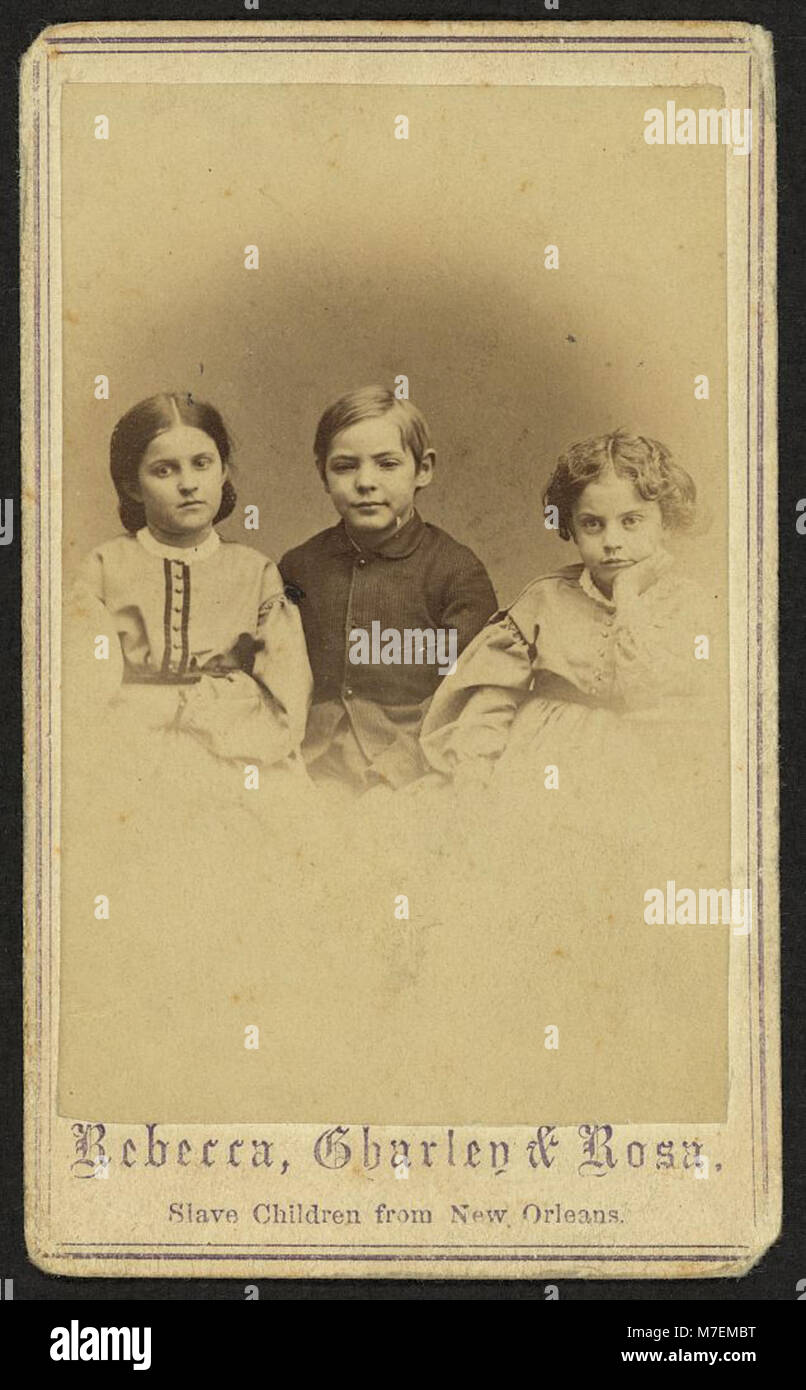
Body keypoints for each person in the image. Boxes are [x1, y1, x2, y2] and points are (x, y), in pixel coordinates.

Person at [419, 429, 724, 877]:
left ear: (667, 521)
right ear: (571, 526)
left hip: (640, 775)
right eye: (592, 524)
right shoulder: (547, 598)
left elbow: (649, 694)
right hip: (540, 767)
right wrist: (474, 774)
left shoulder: (690, 606)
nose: (612, 540)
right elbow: (492, 698)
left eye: (632, 521)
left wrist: (629, 597)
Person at [65, 392, 313, 810]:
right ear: (133, 486)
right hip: (128, 764)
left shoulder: (257, 573)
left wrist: (179, 705)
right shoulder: (105, 568)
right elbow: (83, 697)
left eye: (202, 463)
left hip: (237, 759)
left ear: (223, 472)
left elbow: (285, 704)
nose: (188, 483)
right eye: (164, 470)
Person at [279, 385, 497, 793]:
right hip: (311, 761)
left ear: (423, 469)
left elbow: (465, 696)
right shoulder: (299, 566)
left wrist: (397, 770)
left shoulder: (456, 571)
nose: (365, 482)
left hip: (420, 760)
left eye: (387, 464)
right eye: (345, 466)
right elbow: (277, 675)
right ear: (321, 474)